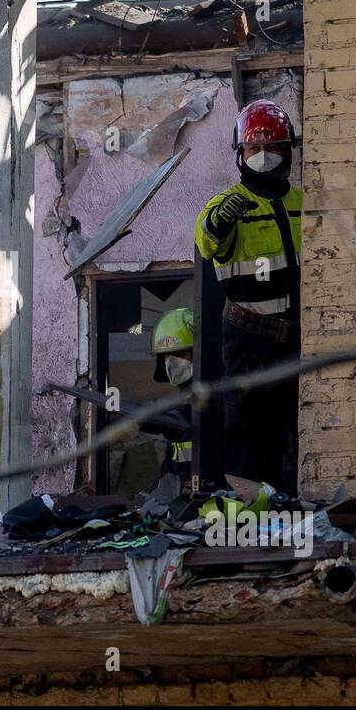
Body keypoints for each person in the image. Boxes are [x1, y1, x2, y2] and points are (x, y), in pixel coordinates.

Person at [194, 99, 301, 494]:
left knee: (292, 435)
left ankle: (291, 509)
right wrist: (220, 222)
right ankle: (249, 518)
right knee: (246, 431)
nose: (262, 156)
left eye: (271, 148)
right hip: (249, 343)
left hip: (298, 343)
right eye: (254, 149)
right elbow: (207, 238)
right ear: (240, 154)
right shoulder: (227, 205)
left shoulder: (303, 203)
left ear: (287, 151)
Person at [149, 306, 195, 489]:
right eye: (168, 355)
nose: (172, 361)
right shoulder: (183, 396)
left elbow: (188, 414)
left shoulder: (213, 395)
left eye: (181, 353)